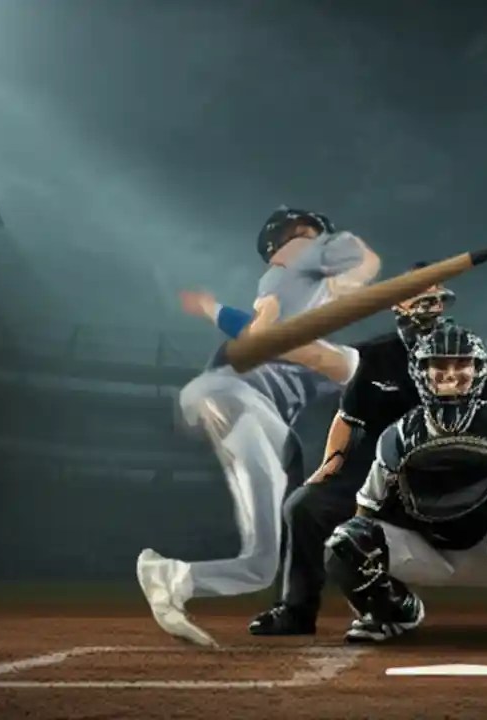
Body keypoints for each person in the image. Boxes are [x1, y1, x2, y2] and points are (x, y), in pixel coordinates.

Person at [135, 206, 380, 647]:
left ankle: (173, 578)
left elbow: (340, 369)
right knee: (288, 451)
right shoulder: (291, 272)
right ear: (278, 253)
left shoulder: (320, 337)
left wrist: (213, 309)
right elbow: (360, 257)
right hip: (233, 393)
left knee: (261, 564)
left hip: (248, 412)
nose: (309, 242)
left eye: (312, 235)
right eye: (298, 236)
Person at [247, 264, 487, 636]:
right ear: (397, 303)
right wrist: (331, 464)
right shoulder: (375, 358)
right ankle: (299, 610)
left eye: (435, 294)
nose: (431, 304)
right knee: (304, 507)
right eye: (419, 292)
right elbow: (347, 417)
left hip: (446, 474)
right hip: (377, 472)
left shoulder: (462, 354)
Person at [322, 323, 487, 644]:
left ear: (477, 370)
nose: (451, 373)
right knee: (345, 540)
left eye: (461, 363)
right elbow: (366, 509)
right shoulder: (399, 435)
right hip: (426, 552)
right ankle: (391, 611)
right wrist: (358, 560)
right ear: (421, 371)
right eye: (440, 364)